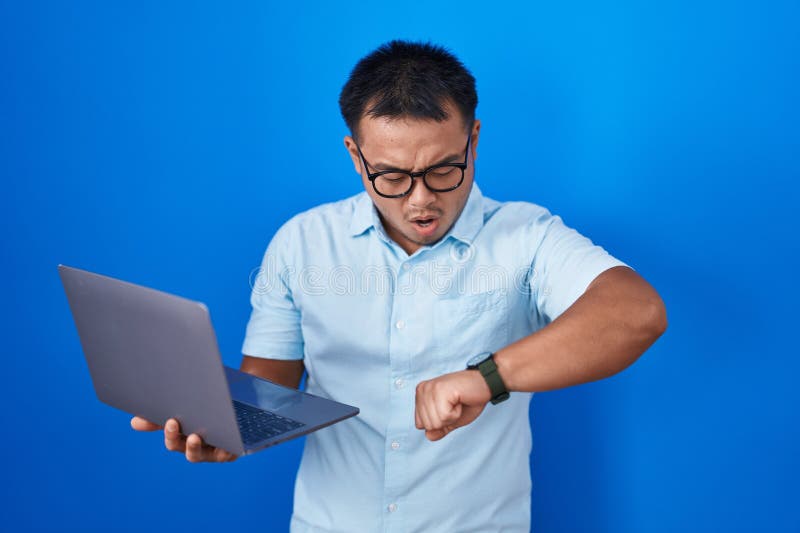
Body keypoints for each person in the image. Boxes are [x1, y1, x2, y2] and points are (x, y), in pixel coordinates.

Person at [132, 40, 667, 532]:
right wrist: (229, 430)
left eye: (442, 170)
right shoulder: (301, 242)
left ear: (473, 140)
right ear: (354, 155)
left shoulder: (526, 236)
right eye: (390, 176)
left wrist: (486, 378)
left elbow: (634, 313)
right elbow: (268, 387)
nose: (419, 201)